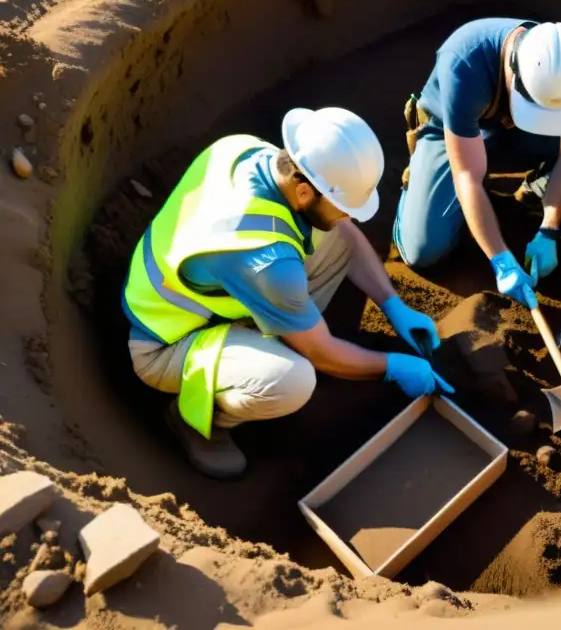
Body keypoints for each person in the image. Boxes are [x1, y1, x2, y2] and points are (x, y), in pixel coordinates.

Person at [122, 107, 451, 480]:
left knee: (331, 232)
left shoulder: (249, 153)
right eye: (344, 206)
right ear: (305, 190)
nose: (352, 216)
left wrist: (394, 307)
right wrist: (393, 367)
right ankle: (196, 419)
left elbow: (343, 235)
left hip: (181, 281)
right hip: (167, 342)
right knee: (292, 380)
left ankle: (284, 326)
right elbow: (323, 355)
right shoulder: (265, 259)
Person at [393, 17, 561, 309]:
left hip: (519, 136)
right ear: (513, 72)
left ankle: (537, 190)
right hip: (452, 132)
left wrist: (549, 228)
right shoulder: (464, 61)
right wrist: (501, 260)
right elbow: (467, 175)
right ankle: (419, 184)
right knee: (423, 250)